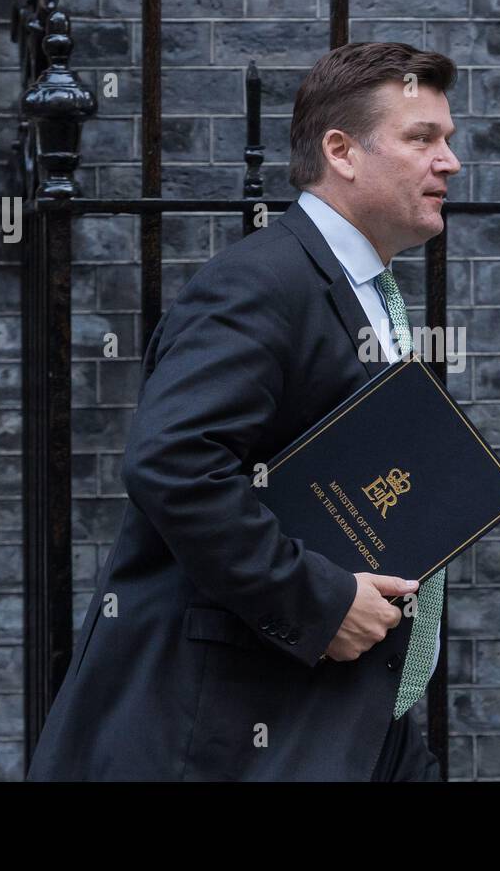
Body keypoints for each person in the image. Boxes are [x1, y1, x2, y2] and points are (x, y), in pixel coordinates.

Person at [26, 41, 462, 781]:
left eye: (447, 140)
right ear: (342, 152)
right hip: (239, 724)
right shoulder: (260, 284)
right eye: (422, 139)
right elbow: (173, 464)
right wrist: (321, 603)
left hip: (359, 718)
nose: (448, 161)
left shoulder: (370, 293)